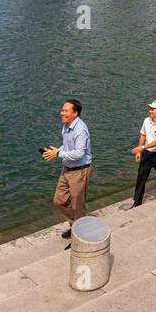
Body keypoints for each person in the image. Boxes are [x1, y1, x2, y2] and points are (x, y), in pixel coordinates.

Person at [42, 99, 92, 245]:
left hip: (80, 171)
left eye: (65, 111)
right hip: (67, 168)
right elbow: (68, 146)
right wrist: (58, 150)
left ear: (75, 113)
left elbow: (78, 154)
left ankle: (80, 238)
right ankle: (77, 226)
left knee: (78, 206)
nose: (62, 113)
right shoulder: (66, 126)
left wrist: (58, 154)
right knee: (59, 201)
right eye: (62, 110)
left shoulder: (80, 129)